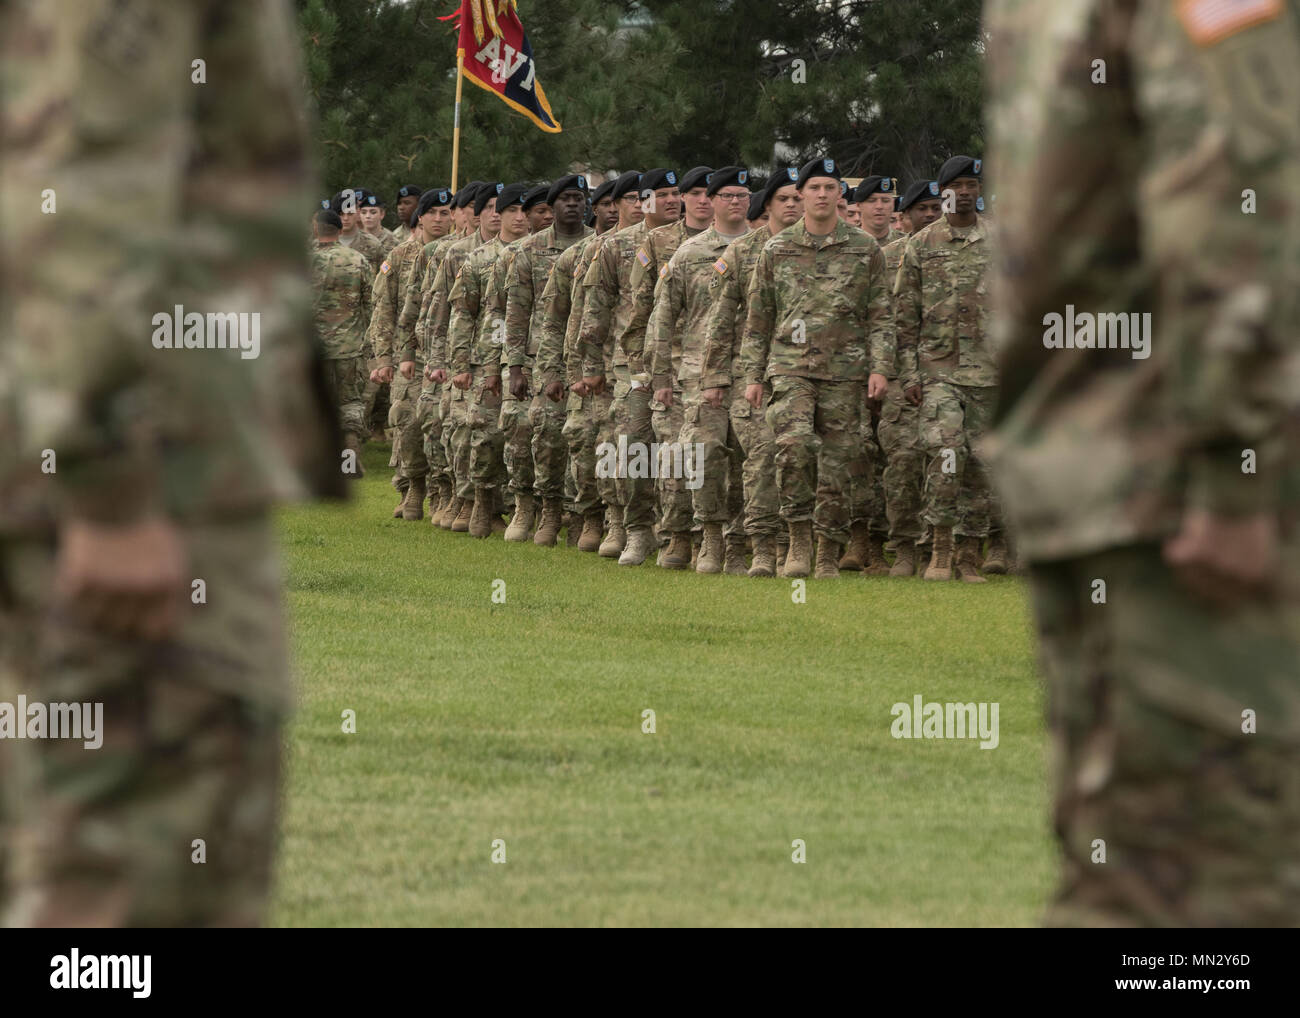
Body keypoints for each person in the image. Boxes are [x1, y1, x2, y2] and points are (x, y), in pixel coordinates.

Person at [0, 0, 343, 927]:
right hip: (146, 464)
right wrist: (107, 483)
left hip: (76, 445)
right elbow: (84, 176)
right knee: (138, 885)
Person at [985, 0, 1300, 926]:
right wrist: (1235, 475)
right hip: (1186, 488)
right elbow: (1232, 198)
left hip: (1107, 470)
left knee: (1144, 880)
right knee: (1208, 903)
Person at [739, 158, 892, 578]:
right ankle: (799, 537)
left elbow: (881, 316)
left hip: (847, 370)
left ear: (840, 195)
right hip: (790, 369)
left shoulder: (865, 248)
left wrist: (881, 369)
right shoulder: (777, 248)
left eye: (830, 188)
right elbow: (759, 319)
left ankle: (828, 547)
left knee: (840, 461)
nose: (822, 195)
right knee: (794, 445)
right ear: (801, 195)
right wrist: (753, 376)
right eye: (814, 188)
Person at [894, 154, 997, 582]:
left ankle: (970, 554)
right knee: (947, 453)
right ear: (943, 192)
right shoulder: (922, 245)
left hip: (991, 375)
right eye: (958, 185)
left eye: (973, 184)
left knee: (981, 466)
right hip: (939, 372)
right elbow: (903, 317)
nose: (967, 192)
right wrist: (909, 374)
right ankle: (939, 548)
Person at [700, 169, 803, 577]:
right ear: (769, 205)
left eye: (799, 197)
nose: (794, 205)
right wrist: (714, 379)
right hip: (753, 375)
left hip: (807, 373)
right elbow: (720, 321)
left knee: (798, 456)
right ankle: (760, 545)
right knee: (760, 455)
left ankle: (792, 543)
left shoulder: (821, 250)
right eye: (785, 199)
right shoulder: (742, 253)